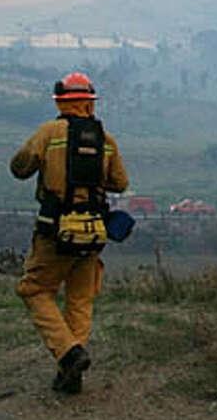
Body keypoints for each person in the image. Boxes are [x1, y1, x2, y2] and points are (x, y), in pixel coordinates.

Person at [11, 71, 129, 394]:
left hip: (55, 233)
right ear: (89, 103)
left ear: (62, 102)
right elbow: (120, 182)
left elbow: (19, 167)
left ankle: (69, 353)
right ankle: (71, 374)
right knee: (80, 300)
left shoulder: (49, 132)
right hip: (93, 234)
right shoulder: (106, 140)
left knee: (34, 290)